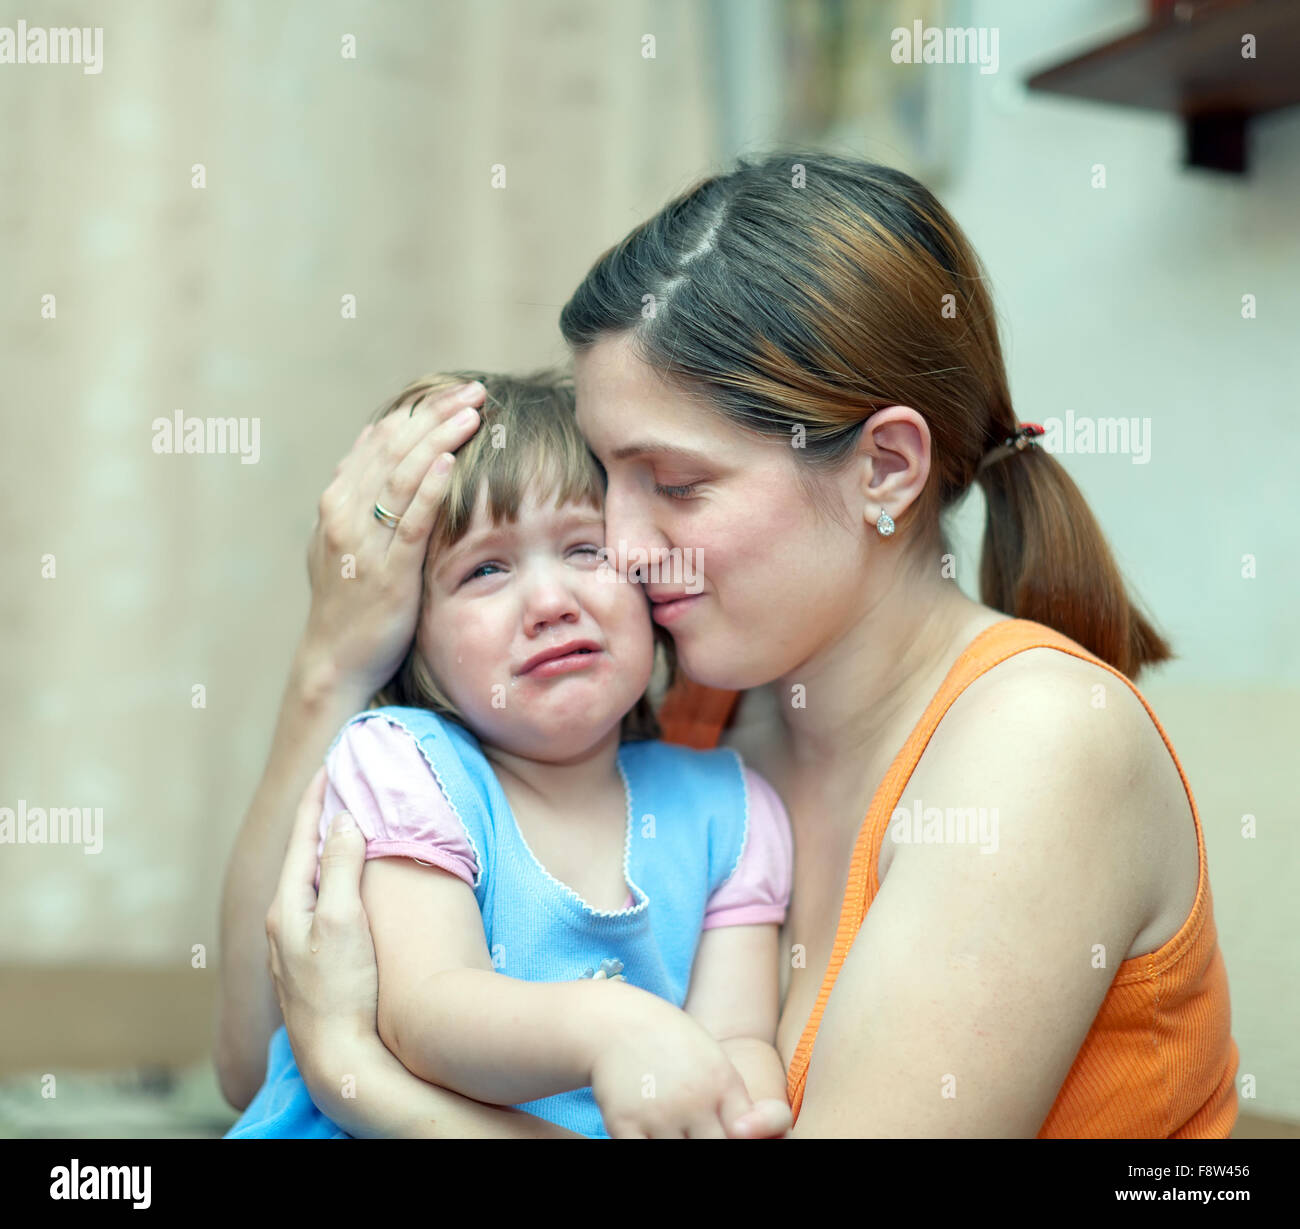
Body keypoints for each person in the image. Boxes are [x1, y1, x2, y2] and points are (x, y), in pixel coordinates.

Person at [217, 153, 1238, 1137]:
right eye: (605, 478)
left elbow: (338, 1055)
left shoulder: (1042, 743)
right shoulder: (704, 708)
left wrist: (381, 1096)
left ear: (884, 466)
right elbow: (256, 1059)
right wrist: (331, 663)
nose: (617, 548)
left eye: (675, 484)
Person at [223, 370, 794, 1139]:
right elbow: (428, 1012)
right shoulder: (407, 766)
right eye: (486, 569)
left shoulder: (734, 810)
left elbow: (737, 1039)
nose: (551, 601)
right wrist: (610, 1027)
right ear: (411, 638)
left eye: (586, 548)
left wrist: (741, 1110)